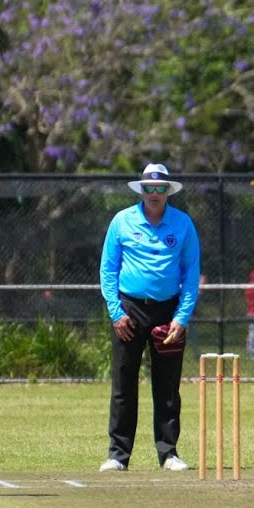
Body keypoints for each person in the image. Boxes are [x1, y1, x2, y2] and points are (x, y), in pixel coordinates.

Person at [99, 163, 201, 473]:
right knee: (123, 384)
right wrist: (116, 313)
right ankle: (118, 455)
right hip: (129, 309)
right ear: (141, 190)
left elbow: (191, 274)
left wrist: (181, 318)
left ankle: (168, 453)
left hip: (168, 311)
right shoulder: (122, 221)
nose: (154, 194)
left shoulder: (183, 224)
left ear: (167, 191)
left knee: (168, 386)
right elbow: (108, 270)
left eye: (160, 188)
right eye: (148, 188)